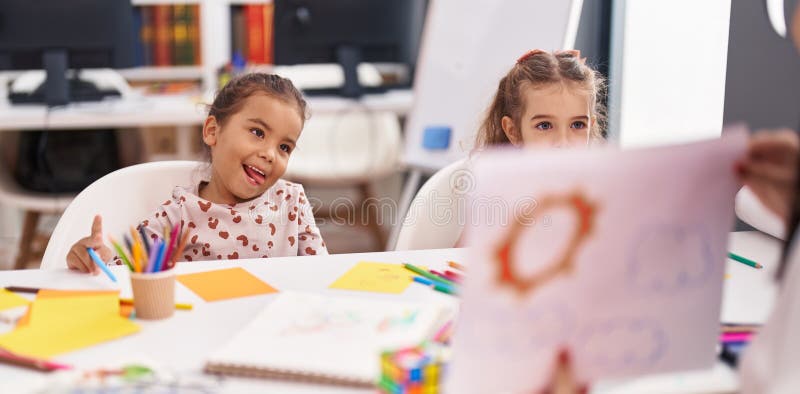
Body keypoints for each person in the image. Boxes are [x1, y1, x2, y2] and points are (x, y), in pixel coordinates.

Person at [67, 73, 328, 274]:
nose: (270, 154)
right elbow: (126, 272)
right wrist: (96, 258)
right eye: (258, 133)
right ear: (212, 131)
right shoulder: (179, 215)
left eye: (284, 147)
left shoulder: (292, 202)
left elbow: (322, 275)